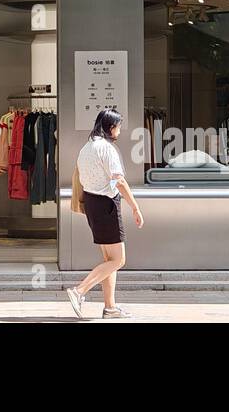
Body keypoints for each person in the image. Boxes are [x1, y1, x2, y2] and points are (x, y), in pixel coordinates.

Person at [67, 108, 143, 320]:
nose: (120, 130)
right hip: (106, 205)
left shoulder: (87, 147)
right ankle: (79, 290)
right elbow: (118, 181)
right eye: (118, 126)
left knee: (109, 259)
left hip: (92, 203)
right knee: (118, 260)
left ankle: (110, 308)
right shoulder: (106, 149)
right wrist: (135, 207)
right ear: (111, 127)